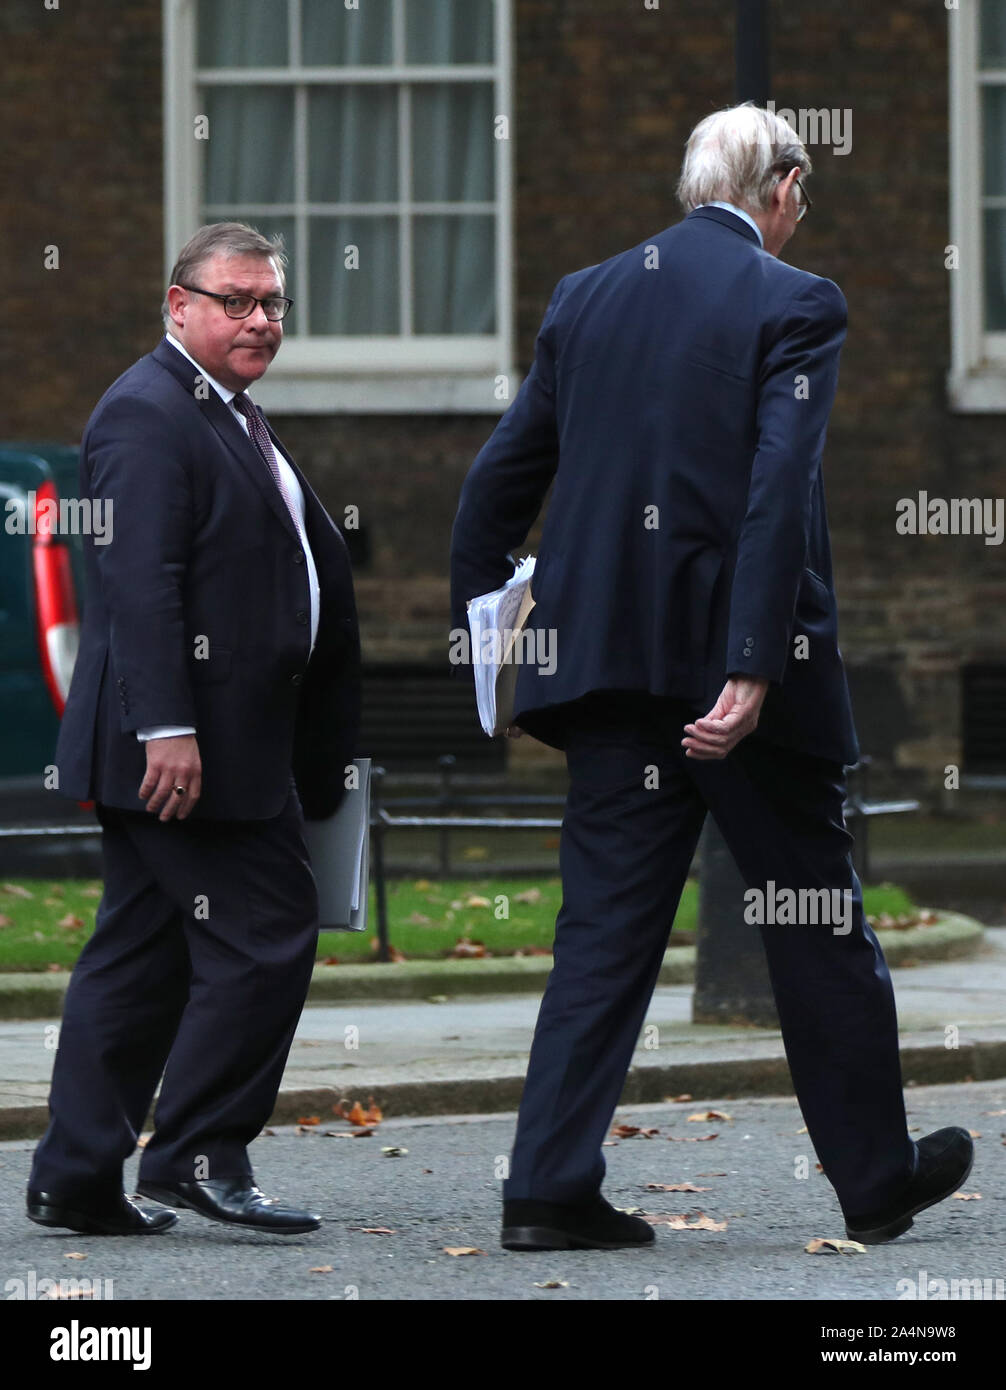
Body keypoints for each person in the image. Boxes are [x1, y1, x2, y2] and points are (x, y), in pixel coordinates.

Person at [450, 104, 972, 1252]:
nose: (803, 215)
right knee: (817, 916)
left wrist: (489, 633)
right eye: (806, 193)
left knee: (601, 933)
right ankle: (875, 1178)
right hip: (741, 688)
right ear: (780, 185)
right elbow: (775, 490)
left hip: (599, 678)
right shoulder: (794, 300)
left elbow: (496, 480)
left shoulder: (585, 295)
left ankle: (543, 1188)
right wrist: (746, 668)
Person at [27, 222, 361, 1237]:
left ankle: (77, 1178)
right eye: (235, 300)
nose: (258, 319)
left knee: (142, 957)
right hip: (185, 751)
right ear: (177, 306)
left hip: (228, 740)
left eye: (271, 304)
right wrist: (168, 724)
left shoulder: (225, 412)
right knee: (265, 939)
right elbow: (140, 584)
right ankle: (196, 1155)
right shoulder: (146, 412)